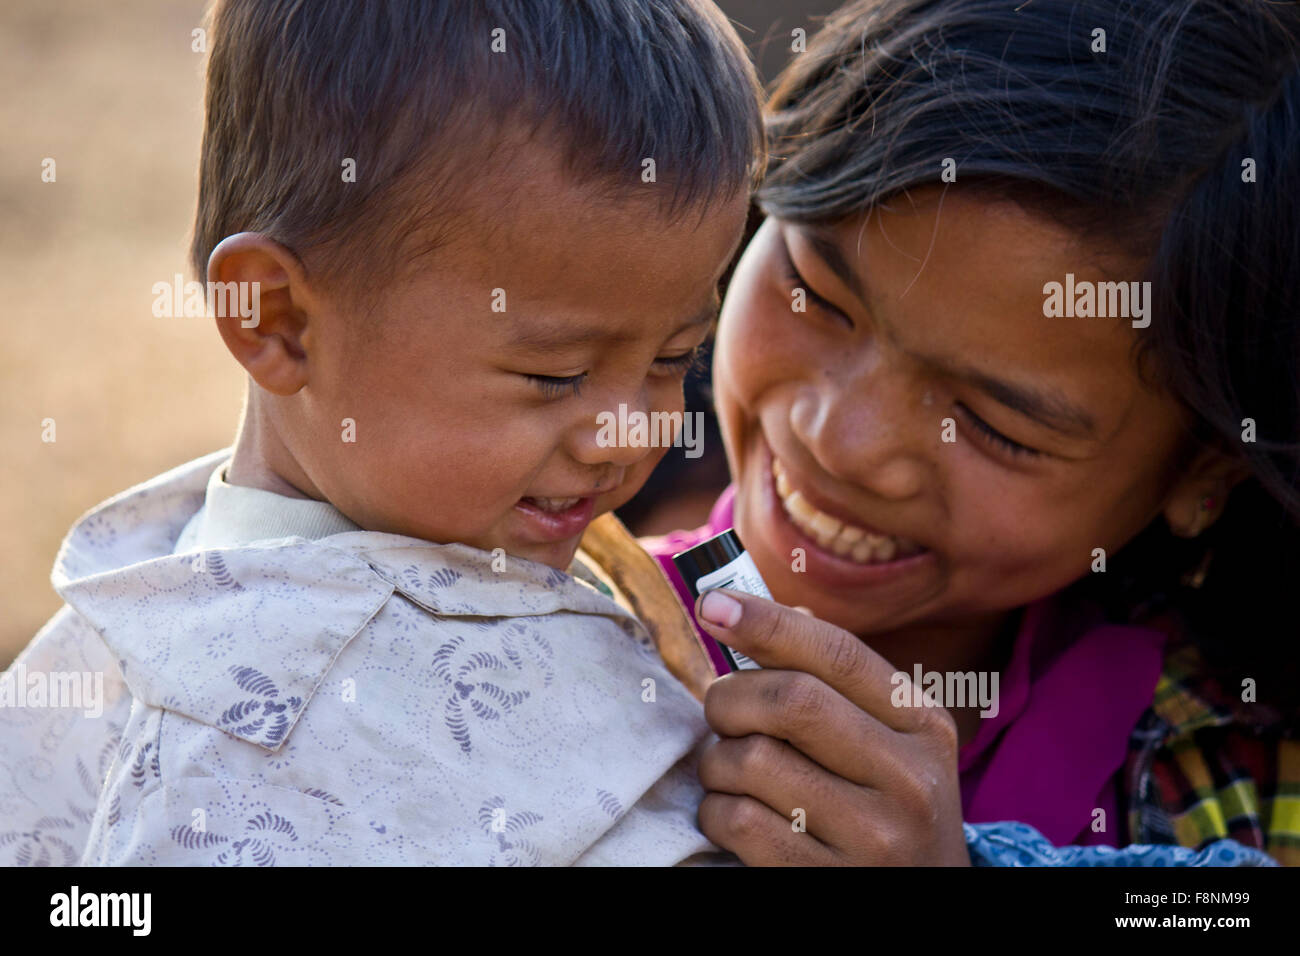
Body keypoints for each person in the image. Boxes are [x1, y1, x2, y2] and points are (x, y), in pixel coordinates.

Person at [0, 0, 763, 866]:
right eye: (555, 374)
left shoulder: (462, 546)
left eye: (675, 356)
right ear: (278, 320)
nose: (630, 433)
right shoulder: (242, 756)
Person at [648, 0, 1300, 864]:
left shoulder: (1239, 771)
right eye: (819, 294)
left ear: (1201, 475)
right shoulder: (538, 644)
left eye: (995, 425)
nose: (843, 441)